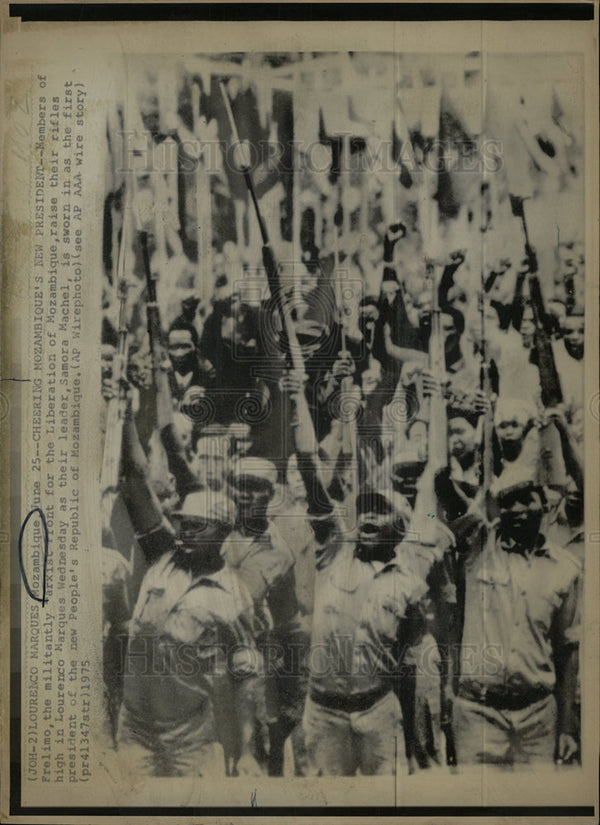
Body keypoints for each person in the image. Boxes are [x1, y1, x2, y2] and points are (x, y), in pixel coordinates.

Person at [116, 401, 262, 778]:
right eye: (183, 523)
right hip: (134, 730)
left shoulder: (232, 599)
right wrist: (127, 415)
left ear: (222, 533)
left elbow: (246, 675)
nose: (185, 532)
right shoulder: (161, 553)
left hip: (192, 738)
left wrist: (247, 751)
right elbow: (134, 480)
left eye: (197, 526)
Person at [449, 473, 581, 766]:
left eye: (526, 499)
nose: (518, 509)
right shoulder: (477, 550)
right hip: (478, 714)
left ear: (545, 504)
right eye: (508, 502)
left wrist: (566, 726)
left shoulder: (566, 569)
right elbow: (449, 500)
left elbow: (567, 651)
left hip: (537, 720)